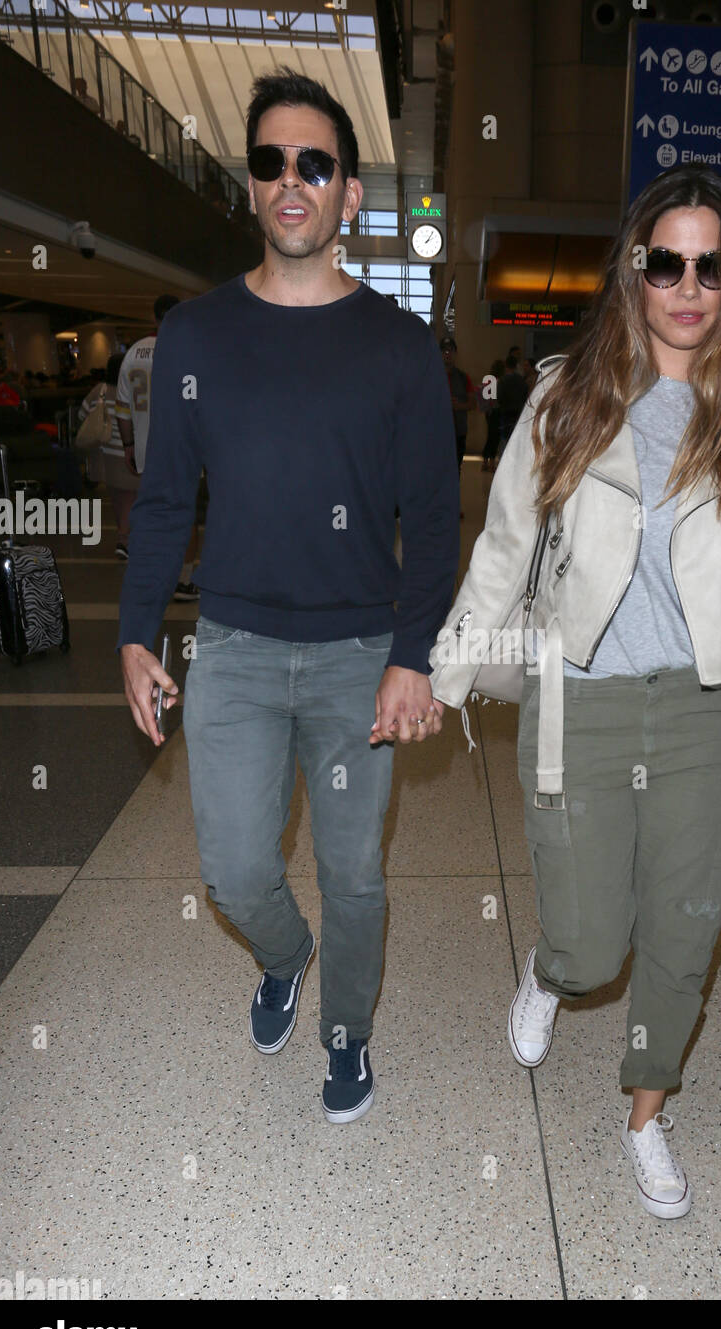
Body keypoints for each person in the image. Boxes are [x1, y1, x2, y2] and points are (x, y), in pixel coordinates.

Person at [428, 163, 721, 1220]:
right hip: (581, 701)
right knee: (592, 941)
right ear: (633, 271)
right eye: (667, 262)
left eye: (710, 264)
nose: (687, 285)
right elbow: (506, 544)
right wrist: (447, 670)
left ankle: (646, 1116)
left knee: (688, 925)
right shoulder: (568, 397)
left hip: (705, 708)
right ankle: (551, 969)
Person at [117, 67, 458, 1124]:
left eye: (315, 162)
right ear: (253, 187)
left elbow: (436, 520)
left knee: (355, 876)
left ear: (349, 192)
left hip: (362, 654)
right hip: (234, 647)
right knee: (230, 869)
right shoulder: (200, 337)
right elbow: (169, 497)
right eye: (271, 162)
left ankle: (347, 1037)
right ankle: (284, 954)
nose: (292, 180)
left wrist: (415, 656)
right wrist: (135, 633)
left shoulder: (401, 348)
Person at [115, 295, 200, 601]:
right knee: (185, 516)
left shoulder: (134, 353)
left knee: (152, 516)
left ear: (154, 319)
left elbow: (122, 407)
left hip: (146, 451)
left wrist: (128, 445)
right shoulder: (189, 349)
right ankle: (184, 580)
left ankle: (151, 579)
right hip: (182, 450)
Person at [78, 353, 134, 558]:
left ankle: (124, 537)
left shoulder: (99, 390)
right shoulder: (131, 390)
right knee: (129, 498)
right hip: (127, 452)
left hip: (105, 454)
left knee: (118, 499)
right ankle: (124, 540)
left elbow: (82, 414)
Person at [441, 336, 475, 517]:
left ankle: (452, 506)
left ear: (455, 354)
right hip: (436, 434)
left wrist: (456, 406)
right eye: (444, 351)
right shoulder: (431, 375)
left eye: (451, 351)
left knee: (455, 471)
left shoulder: (463, 378)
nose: (447, 354)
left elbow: (471, 404)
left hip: (458, 432)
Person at [496, 355, 528, 455]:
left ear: (506, 365)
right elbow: (525, 395)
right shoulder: (521, 380)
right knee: (516, 437)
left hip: (506, 411)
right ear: (516, 366)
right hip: (518, 412)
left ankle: (503, 460)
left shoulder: (503, 380)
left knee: (504, 438)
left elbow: (499, 396)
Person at [480, 358, 505, 471]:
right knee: (495, 438)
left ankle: (485, 462)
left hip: (489, 411)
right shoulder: (501, 381)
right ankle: (491, 463)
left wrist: (486, 409)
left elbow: (484, 397)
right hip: (496, 411)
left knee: (490, 436)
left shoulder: (488, 380)